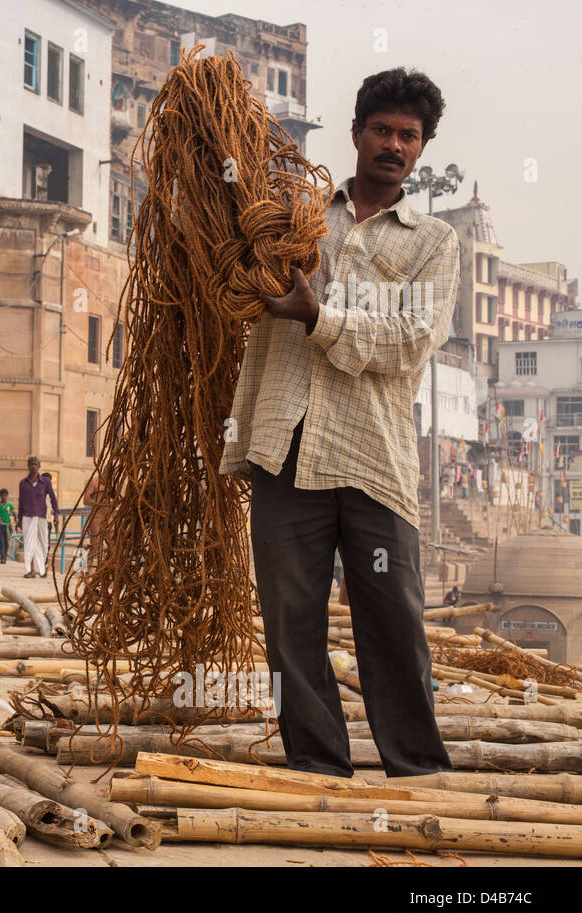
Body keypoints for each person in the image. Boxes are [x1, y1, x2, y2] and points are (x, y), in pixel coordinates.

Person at [220, 68, 456, 778]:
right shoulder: (296, 221)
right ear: (355, 135)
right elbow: (236, 274)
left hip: (374, 457)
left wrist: (318, 316)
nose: (393, 144)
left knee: (394, 621)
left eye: (408, 136)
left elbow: (412, 338)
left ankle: (417, 769)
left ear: (422, 149)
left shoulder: (433, 242)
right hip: (284, 445)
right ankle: (318, 765)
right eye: (380, 130)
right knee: (290, 623)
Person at [19, 456, 58, 578]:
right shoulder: (23, 483)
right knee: (30, 543)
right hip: (28, 517)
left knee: (43, 544)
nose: (33, 466)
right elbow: (21, 502)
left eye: (35, 464)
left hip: (42, 518)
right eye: (31, 464)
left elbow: (53, 499)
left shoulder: (45, 482)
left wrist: (56, 515)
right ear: (28, 465)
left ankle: (43, 568)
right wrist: (19, 521)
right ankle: (32, 570)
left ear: (39, 466)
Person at [0, 489, 16, 564]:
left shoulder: (10, 505)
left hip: (7, 526)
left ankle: (5, 556)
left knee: (6, 542)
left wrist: (16, 521)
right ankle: (2, 558)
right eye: (2, 495)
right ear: (0, 496)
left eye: (5, 495)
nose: (4, 497)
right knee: (1, 542)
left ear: (7, 496)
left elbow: (14, 514)